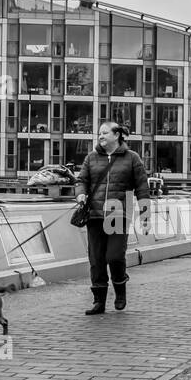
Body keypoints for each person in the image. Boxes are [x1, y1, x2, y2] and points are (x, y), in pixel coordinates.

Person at [74, 122, 150, 314]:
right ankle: (98, 301)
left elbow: (142, 187)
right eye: (99, 133)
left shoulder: (132, 158)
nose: (100, 136)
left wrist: (145, 215)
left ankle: (120, 289)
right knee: (96, 259)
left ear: (116, 135)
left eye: (105, 133)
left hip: (118, 213)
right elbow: (82, 180)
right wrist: (80, 194)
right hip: (95, 214)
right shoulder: (91, 157)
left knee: (114, 256)